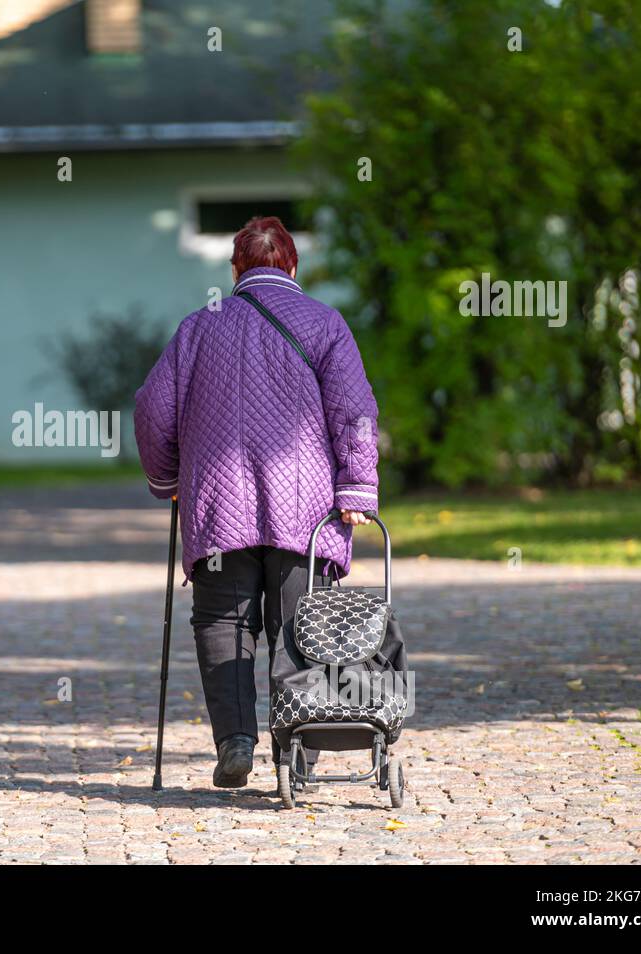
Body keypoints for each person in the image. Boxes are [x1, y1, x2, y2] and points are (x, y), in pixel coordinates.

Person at [133, 216, 380, 788]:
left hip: (220, 507)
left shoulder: (199, 328)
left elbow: (151, 409)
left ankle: (236, 741)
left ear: (237, 270)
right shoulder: (325, 323)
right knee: (301, 624)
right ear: (293, 266)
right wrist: (356, 488)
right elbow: (356, 411)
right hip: (307, 512)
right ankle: (298, 750)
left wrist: (167, 476)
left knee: (224, 619)